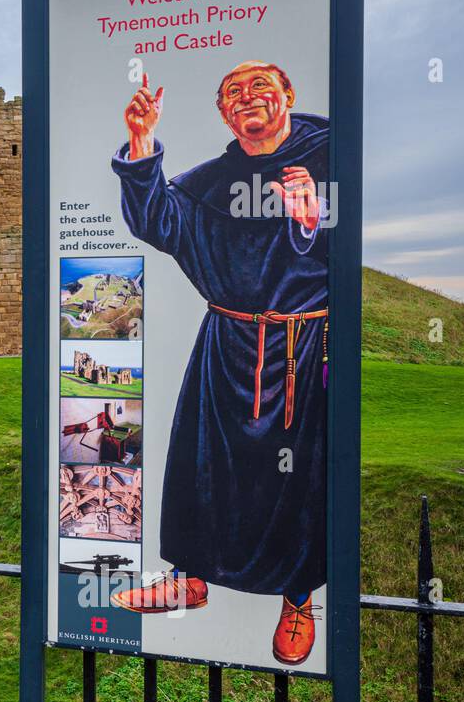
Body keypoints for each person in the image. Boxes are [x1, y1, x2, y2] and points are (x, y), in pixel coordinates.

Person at [107, 62, 329, 665]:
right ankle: (190, 576)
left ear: (289, 95)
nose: (247, 97)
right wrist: (142, 141)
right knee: (204, 464)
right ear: (223, 113)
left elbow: (346, 242)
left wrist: (312, 222)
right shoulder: (209, 182)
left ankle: (298, 599)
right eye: (233, 92)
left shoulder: (332, 156)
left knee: (296, 478)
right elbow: (157, 220)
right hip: (226, 343)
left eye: (261, 87)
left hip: (303, 348)